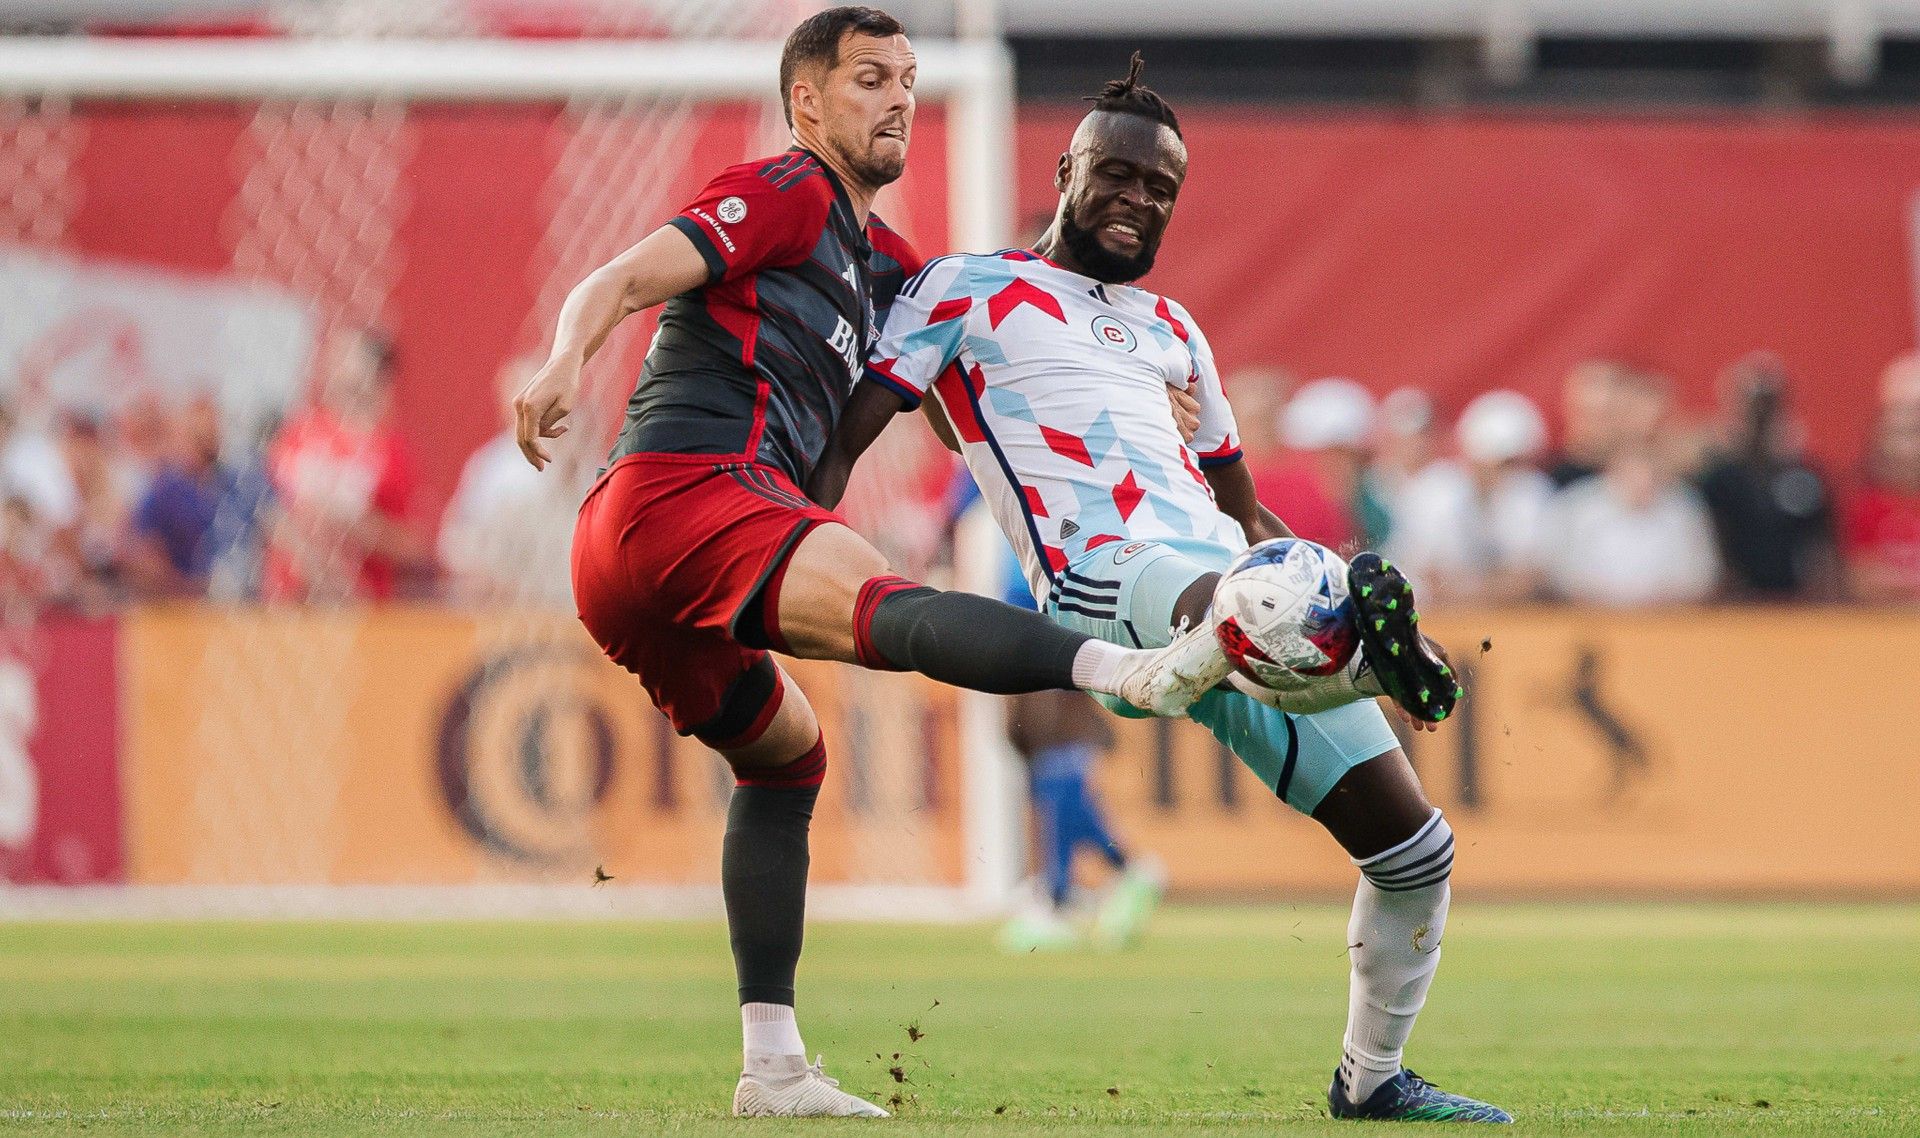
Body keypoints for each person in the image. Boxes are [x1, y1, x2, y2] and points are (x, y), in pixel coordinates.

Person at [507, 8, 1226, 1119]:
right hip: (683, 492)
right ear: (808, 102)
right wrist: (564, 362)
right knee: (897, 601)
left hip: (636, 564)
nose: (898, 98)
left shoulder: (889, 264)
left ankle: (774, 1065)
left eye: (907, 77)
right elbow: (619, 279)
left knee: (788, 759)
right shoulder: (789, 190)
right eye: (868, 79)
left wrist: (1134, 403)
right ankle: (1117, 673)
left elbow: (969, 401)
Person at [812, 56, 1509, 1124]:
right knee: (1247, 596)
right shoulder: (966, 288)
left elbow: (1244, 511)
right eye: (1118, 176)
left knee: (1417, 850)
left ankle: (1370, 1079)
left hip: (1225, 594)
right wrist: (789, 543)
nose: (1138, 200)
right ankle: (1336, 649)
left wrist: (1303, 575)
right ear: (1066, 169)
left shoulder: (1176, 332)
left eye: (1161, 189)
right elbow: (860, 428)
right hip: (1099, 578)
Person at [264, 325, 427, 603]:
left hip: (359, 607)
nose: (333, 363)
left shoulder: (390, 450)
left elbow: (414, 544)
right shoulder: (299, 433)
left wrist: (359, 527)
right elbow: (271, 513)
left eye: (346, 356)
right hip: (290, 604)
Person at [438, 353, 581, 608]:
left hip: (566, 599)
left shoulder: (581, 457)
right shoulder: (494, 468)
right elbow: (458, 538)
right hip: (513, 600)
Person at [1693, 354, 1840, 601]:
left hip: (1796, 601)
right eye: (1751, 407)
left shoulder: (1804, 475)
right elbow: (1709, 543)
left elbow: (1822, 546)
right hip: (1735, 605)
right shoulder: (1718, 478)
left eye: (1768, 407)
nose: (1760, 418)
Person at [1387, 390, 1554, 605]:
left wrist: (1473, 591)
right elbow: (1425, 575)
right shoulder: (1433, 491)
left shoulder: (1534, 493)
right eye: (1502, 462)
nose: (1506, 474)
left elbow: (1531, 578)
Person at [1844, 365, 1920, 603]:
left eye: (1914, 432)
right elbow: (1860, 581)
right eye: (1898, 433)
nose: (1906, 448)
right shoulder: (1865, 506)